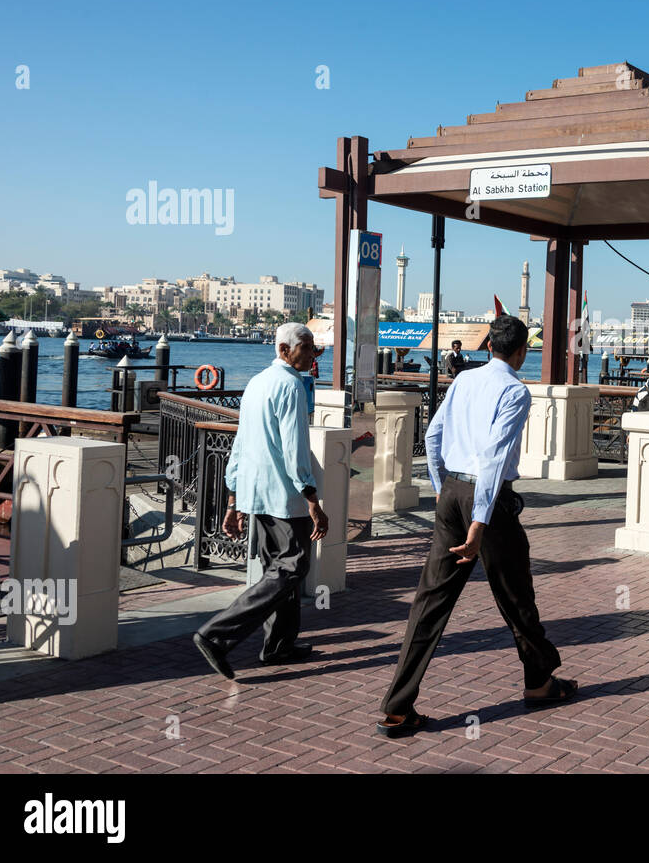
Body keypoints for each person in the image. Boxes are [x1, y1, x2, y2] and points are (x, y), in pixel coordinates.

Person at [377, 315, 573, 738]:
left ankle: (397, 706)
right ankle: (539, 683)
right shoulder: (515, 390)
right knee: (516, 595)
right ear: (522, 351)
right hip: (489, 503)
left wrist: (444, 491)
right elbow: (494, 457)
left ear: (489, 347)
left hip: (451, 492)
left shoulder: (464, 379)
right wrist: (479, 520)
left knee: (430, 601)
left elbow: (433, 436)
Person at [192, 323, 330, 681]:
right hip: (283, 495)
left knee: (278, 569)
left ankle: (279, 646)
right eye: (308, 346)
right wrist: (312, 496)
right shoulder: (290, 386)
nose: (313, 353)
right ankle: (217, 635)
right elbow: (294, 448)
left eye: (314, 346)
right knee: (292, 567)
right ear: (285, 350)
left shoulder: (257, 383)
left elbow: (241, 444)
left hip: (258, 492)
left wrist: (234, 497)